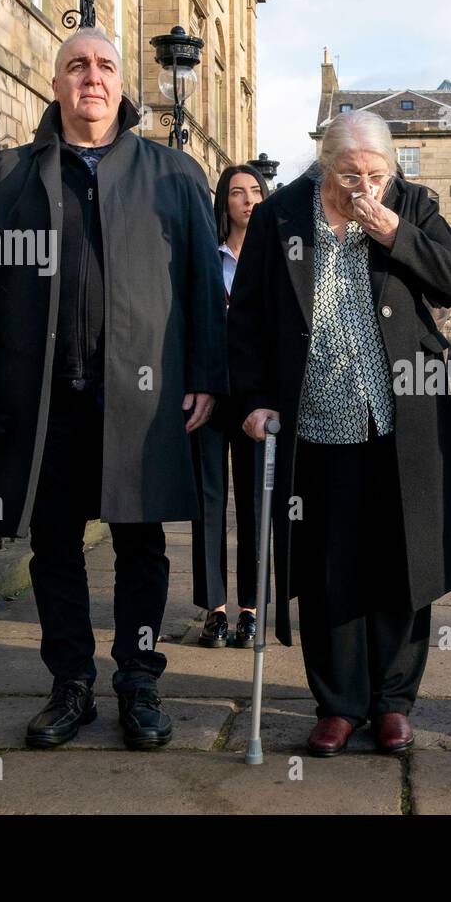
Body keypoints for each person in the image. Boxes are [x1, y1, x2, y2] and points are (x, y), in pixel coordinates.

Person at [0, 27, 226, 750]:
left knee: (142, 544)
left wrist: (205, 377)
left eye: (103, 66)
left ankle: (139, 680)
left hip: (143, 396)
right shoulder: (5, 177)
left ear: (121, 84)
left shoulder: (173, 174)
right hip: (40, 400)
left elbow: (200, 287)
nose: (90, 78)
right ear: (57, 82)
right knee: (53, 545)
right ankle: (71, 685)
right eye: (76, 66)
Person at [228, 109, 451, 757]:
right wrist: (254, 400)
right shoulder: (279, 213)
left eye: (375, 174)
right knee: (329, 564)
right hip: (315, 421)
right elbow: (249, 319)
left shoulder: (413, 204)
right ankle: (338, 703)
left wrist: (396, 233)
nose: (363, 187)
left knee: (404, 558)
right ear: (324, 164)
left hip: (400, 417)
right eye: (349, 176)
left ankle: (393, 703)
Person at [192, 164, 269, 649]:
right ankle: (214, 608)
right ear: (224, 203)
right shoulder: (207, 256)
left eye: (256, 191)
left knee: (256, 505)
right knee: (208, 500)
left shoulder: (279, 257)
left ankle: (251, 607)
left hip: (257, 399)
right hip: (209, 393)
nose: (247, 200)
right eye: (237, 192)